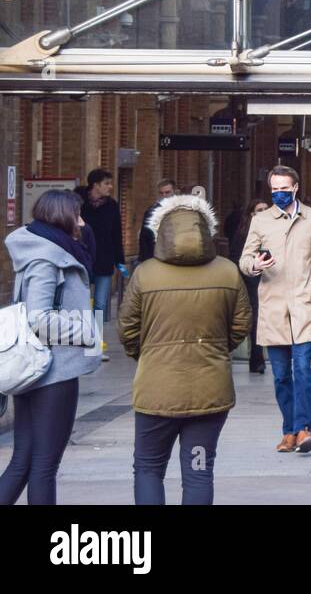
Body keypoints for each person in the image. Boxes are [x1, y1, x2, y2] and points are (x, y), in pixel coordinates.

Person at [118, 195, 251, 505]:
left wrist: (149, 355)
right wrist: (218, 350)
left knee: (149, 468)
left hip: (156, 391)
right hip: (210, 390)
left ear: (160, 232)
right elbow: (241, 324)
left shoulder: (145, 274)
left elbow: (127, 329)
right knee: (198, 471)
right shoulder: (227, 272)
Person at [0, 190, 102, 505]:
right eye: (78, 215)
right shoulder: (48, 257)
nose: (83, 223)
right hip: (52, 373)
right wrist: (86, 331)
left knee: (25, 460)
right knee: (43, 466)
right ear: (62, 217)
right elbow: (38, 318)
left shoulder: (42, 250)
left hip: (36, 370)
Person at [239, 166, 311, 454]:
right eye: (274, 189)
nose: (278, 194)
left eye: (284, 188)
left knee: (303, 370)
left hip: (304, 305)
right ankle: (289, 430)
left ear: (295, 188)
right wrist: (255, 265)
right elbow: (244, 258)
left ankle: (304, 429)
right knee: (281, 375)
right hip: (273, 306)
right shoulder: (261, 220)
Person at [75, 168, 127, 361]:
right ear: (95, 185)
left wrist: (120, 261)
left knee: (101, 304)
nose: (110, 187)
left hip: (104, 261)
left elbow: (116, 234)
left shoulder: (112, 206)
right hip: (82, 260)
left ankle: (96, 345)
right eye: (106, 183)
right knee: (79, 301)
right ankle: (80, 342)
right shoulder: (78, 202)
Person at [230, 197, 270, 374]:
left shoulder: (274, 232)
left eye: (265, 209)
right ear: (252, 214)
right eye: (259, 210)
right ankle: (257, 358)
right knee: (255, 322)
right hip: (251, 283)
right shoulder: (243, 233)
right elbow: (236, 258)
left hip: (272, 282)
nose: (263, 213)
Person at [136, 178, 178, 265]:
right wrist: (145, 261)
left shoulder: (182, 210)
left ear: (174, 192)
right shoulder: (151, 212)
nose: (164, 195)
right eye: (161, 193)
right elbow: (144, 238)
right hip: (157, 258)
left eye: (167, 192)